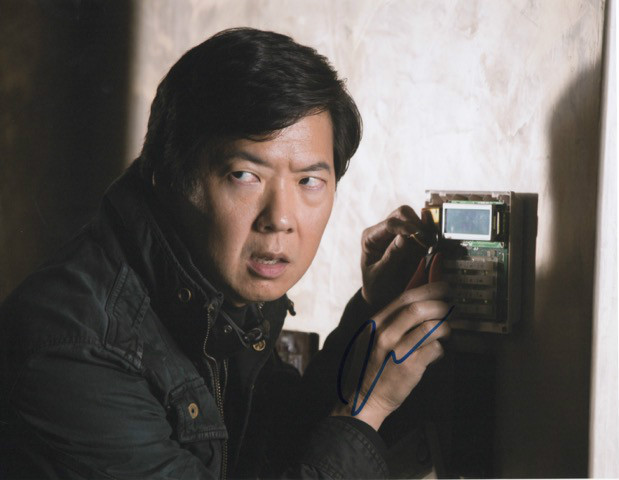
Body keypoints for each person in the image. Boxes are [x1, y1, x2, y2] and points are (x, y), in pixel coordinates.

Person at [0, 28, 450, 479]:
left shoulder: (215, 294)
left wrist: (371, 312)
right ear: (168, 174)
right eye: (245, 175)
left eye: (309, 181)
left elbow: (276, 448)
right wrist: (368, 409)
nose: (281, 218)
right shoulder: (74, 346)